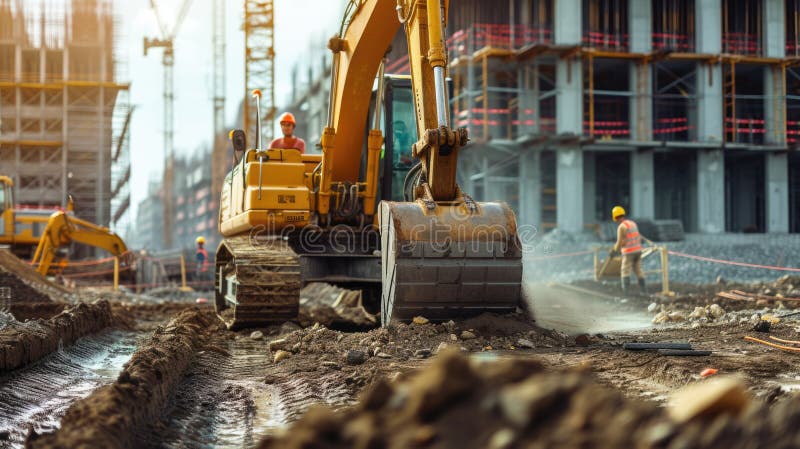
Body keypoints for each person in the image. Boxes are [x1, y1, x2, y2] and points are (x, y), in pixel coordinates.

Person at [611, 206, 646, 295]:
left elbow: (619, 242)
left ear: (615, 217)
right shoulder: (632, 223)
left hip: (629, 252)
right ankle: (643, 291)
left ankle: (625, 293)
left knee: (625, 270)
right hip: (638, 250)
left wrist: (614, 251)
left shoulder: (621, 227)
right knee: (638, 270)